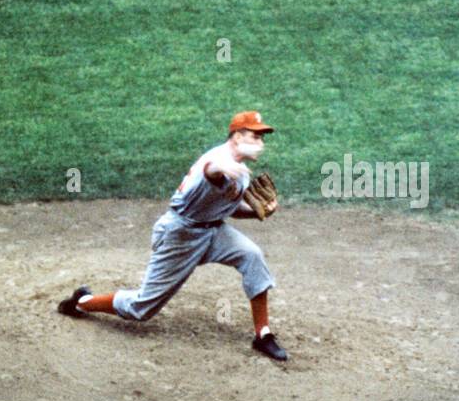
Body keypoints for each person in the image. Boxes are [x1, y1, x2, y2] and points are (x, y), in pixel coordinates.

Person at [57, 110, 287, 361]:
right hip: (181, 235)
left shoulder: (239, 170)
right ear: (237, 135)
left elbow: (227, 208)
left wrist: (257, 213)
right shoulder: (219, 160)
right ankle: (82, 301)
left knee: (252, 255)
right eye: (256, 135)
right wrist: (223, 167)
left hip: (213, 231)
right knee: (141, 309)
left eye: (262, 137)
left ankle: (263, 334)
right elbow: (211, 170)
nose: (261, 142)